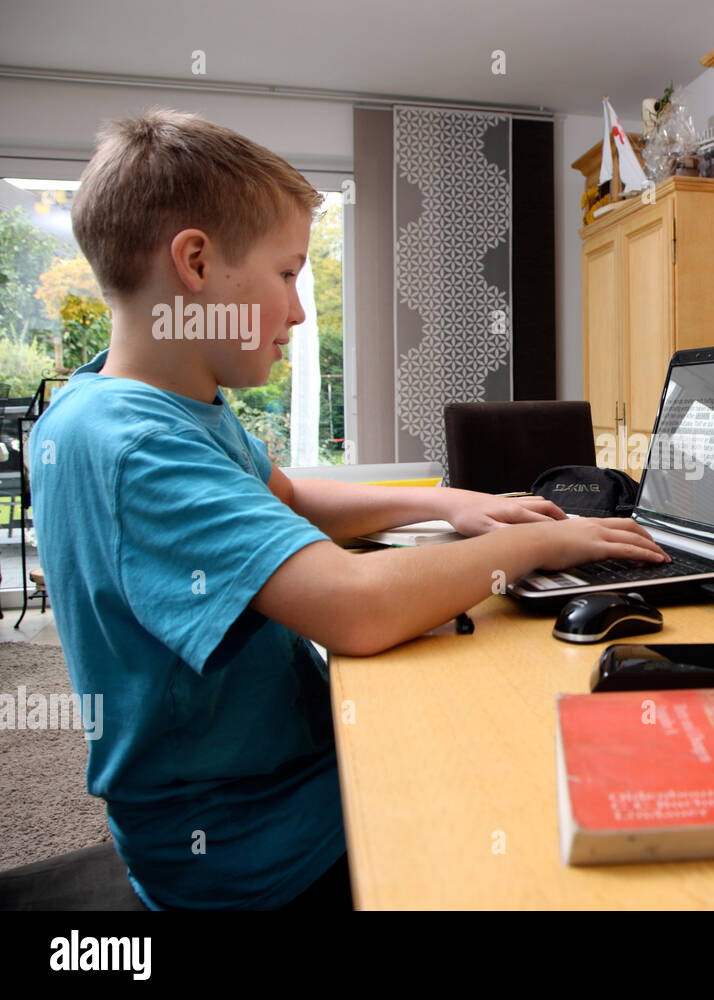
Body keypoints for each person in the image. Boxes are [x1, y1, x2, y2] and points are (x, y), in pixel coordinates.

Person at [31, 110, 668, 910]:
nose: (299, 312)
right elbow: (356, 609)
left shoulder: (145, 402)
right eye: (289, 273)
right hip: (250, 850)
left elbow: (288, 497)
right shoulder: (135, 447)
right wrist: (542, 548)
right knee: (536, 788)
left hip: (265, 794)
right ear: (195, 262)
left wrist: (450, 504)